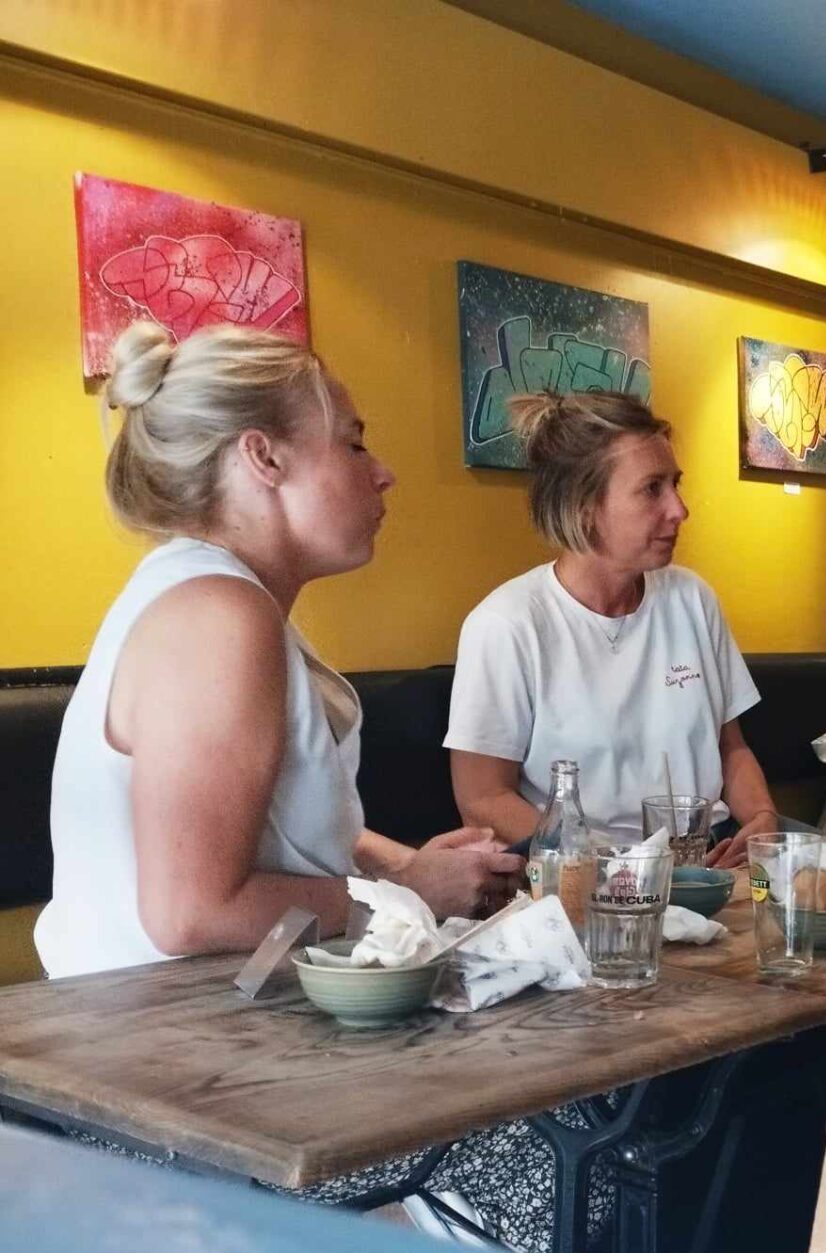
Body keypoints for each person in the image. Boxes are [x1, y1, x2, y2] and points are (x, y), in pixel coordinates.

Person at [37, 323, 520, 981]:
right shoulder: (218, 617)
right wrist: (412, 897)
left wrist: (405, 866)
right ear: (263, 458)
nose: (383, 473)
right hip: (159, 1051)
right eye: (353, 443)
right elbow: (191, 911)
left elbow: (267, 829)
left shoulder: (213, 595)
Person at [446, 392, 777, 867]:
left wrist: (762, 818)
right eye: (652, 489)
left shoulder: (692, 599)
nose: (680, 509)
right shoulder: (506, 624)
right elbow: (482, 798)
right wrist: (609, 863)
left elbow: (732, 749)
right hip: (580, 870)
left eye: (676, 484)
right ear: (584, 506)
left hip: (709, 857)